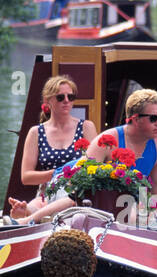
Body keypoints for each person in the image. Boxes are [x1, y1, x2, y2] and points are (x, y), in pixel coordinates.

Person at [7, 75, 97, 223]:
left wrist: (69, 175)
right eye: (60, 97)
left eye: (71, 96)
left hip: (76, 190)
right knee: (39, 203)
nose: (67, 100)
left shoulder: (86, 127)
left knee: (67, 196)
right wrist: (59, 172)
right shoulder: (36, 132)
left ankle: (28, 217)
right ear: (48, 101)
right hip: (47, 191)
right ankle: (25, 211)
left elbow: (95, 165)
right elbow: (26, 177)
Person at [89, 89, 157, 210]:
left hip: (133, 207)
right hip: (105, 207)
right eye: (153, 118)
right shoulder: (106, 140)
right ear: (136, 119)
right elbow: (81, 184)